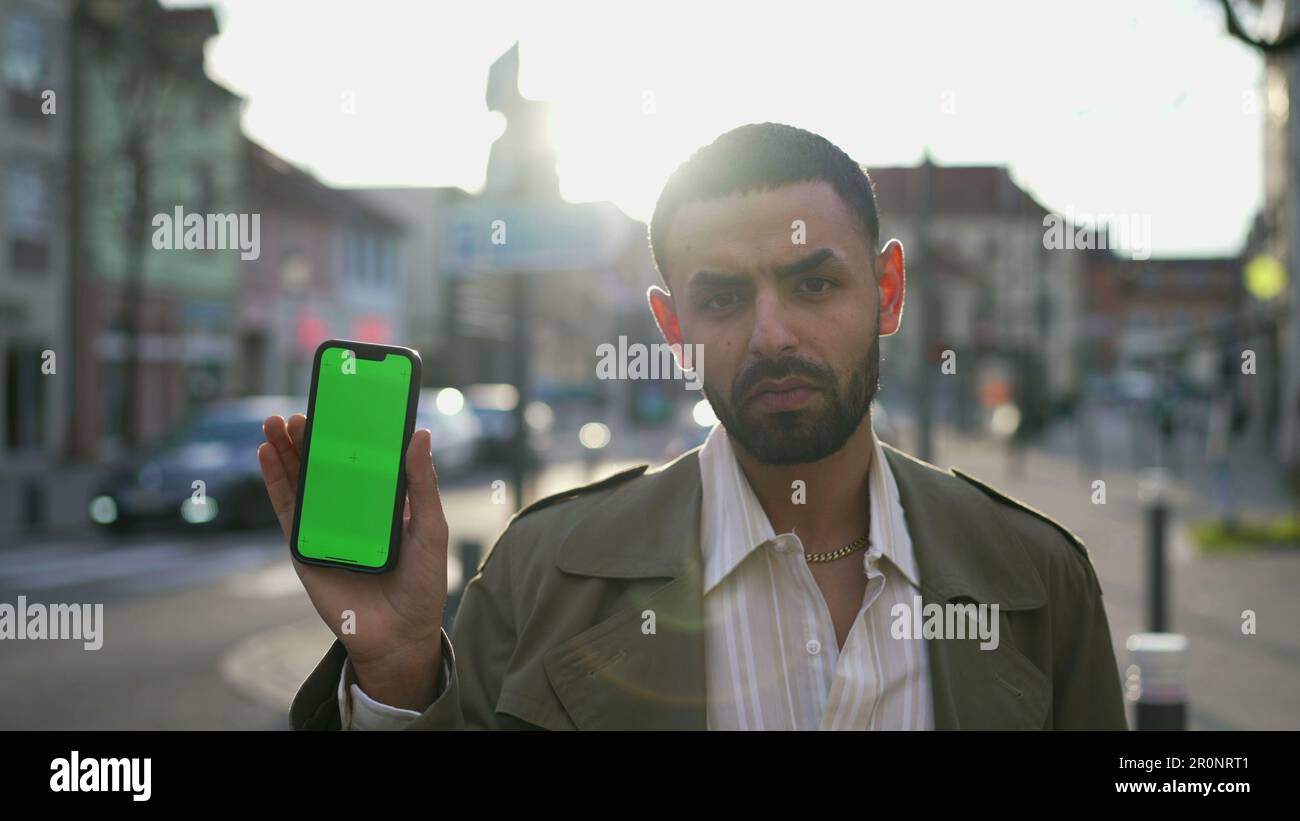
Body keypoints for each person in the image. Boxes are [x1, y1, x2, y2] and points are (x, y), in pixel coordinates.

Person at [260, 122, 1127, 730]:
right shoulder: (541, 575)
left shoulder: (1036, 581)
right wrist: (399, 674)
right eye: (722, 297)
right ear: (674, 328)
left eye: (815, 284)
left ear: (889, 291)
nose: (773, 333)